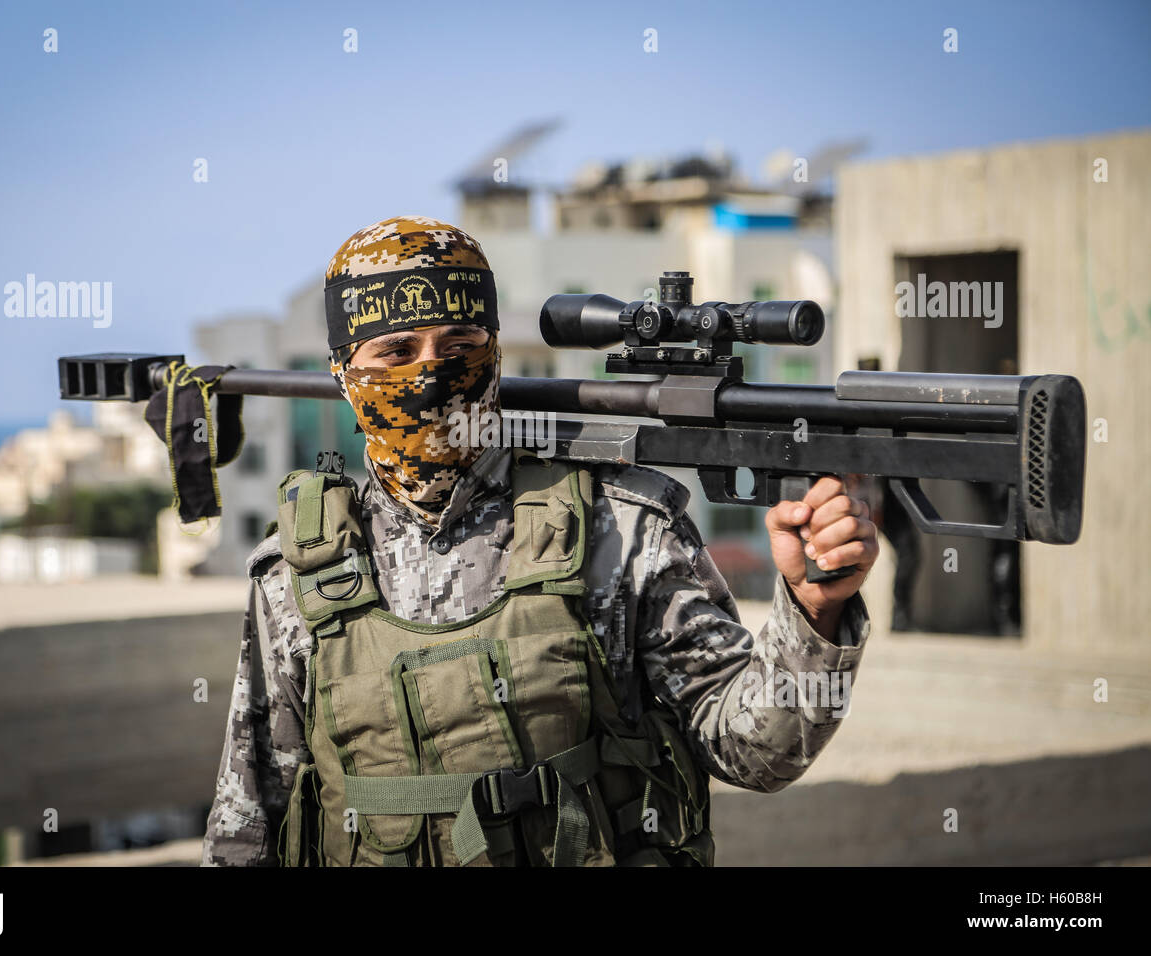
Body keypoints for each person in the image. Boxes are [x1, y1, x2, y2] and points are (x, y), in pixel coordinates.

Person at [201, 215, 877, 867]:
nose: (432, 372)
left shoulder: (623, 527)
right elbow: (248, 822)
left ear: (494, 351)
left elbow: (753, 754)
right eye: (396, 351)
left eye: (460, 344)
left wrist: (813, 608)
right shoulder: (293, 571)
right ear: (345, 373)